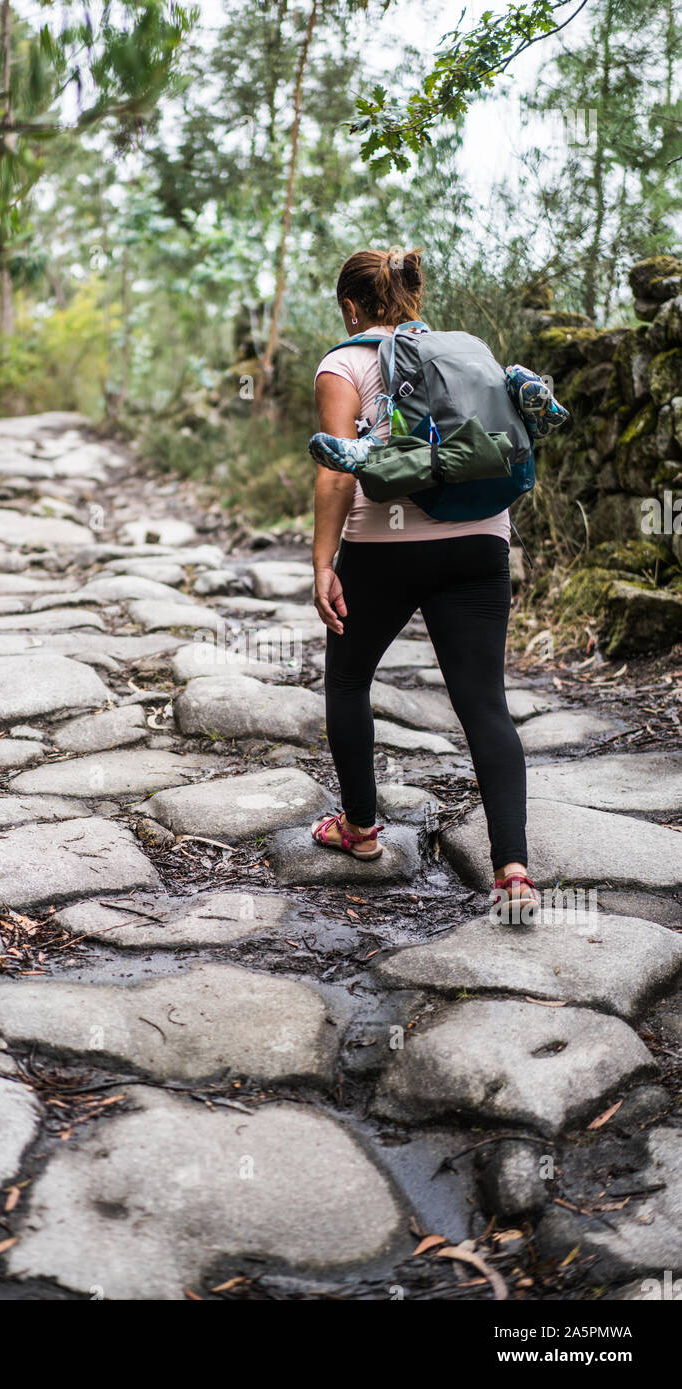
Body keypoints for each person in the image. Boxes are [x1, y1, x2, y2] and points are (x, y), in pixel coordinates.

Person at [309, 246, 539, 919]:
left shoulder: (343, 361)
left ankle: (358, 830)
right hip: (478, 539)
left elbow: (334, 472)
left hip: (384, 544)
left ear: (351, 306)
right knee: (483, 705)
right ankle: (512, 873)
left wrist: (323, 563)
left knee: (349, 680)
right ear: (411, 297)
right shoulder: (462, 352)